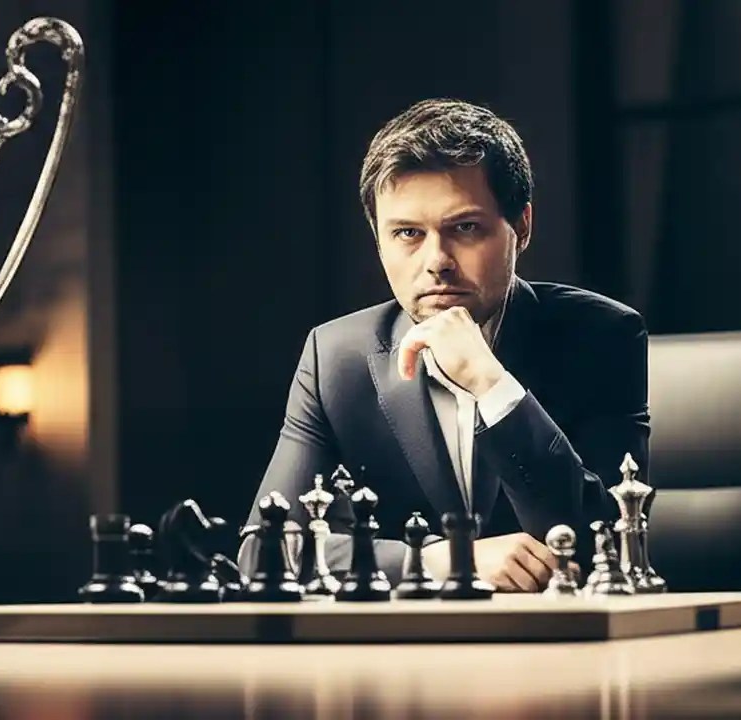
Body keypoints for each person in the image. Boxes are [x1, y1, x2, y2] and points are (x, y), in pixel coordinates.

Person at [238, 98, 650, 592]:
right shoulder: (335, 357)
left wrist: (492, 384)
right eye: (408, 233)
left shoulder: (601, 336)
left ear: (521, 225)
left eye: (465, 228)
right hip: (402, 660)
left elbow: (604, 544)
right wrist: (441, 559)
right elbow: (264, 551)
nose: (437, 261)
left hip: (562, 653)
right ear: (378, 239)